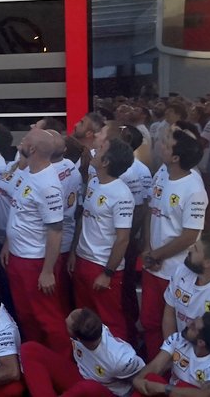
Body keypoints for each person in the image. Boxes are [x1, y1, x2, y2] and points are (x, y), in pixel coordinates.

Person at [1, 128, 70, 356]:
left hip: (35, 262)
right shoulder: (29, 173)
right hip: (18, 258)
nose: (21, 141)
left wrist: (48, 271)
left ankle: (62, 364)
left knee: (48, 318)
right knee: (26, 315)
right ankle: (36, 359)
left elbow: (55, 230)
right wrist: (8, 243)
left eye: (25, 139)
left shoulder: (48, 185)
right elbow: (19, 212)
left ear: (32, 149)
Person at [141, 129, 208, 359]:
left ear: (176, 157)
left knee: (175, 328)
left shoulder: (194, 189)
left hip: (176, 272)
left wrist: (157, 255)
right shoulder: (162, 175)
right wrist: (148, 249)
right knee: (149, 322)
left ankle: (176, 369)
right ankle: (154, 369)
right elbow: (151, 212)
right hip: (153, 266)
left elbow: (190, 235)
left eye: (167, 145)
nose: (161, 145)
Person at [70, 138, 136, 342]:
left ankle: (120, 359)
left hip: (102, 267)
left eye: (100, 149)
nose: (94, 151)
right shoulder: (94, 182)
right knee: (84, 319)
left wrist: (108, 273)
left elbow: (123, 239)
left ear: (106, 162)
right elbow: (84, 218)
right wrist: (74, 252)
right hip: (82, 260)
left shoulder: (122, 194)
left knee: (110, 321)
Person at [20, 308, 145, 397]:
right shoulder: (87, 326)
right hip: (81, 375)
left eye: (67, 325)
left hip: (105, 392)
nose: (65, 319)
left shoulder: (120, 359)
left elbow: (143, 376)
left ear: (77, 338)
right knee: (30, 349)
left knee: (88, 387)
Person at [132, 312, 210, 397]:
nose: (188, 324)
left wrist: (164, 388)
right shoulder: (178, 339)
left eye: (193, 327)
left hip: (178, 392)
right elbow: (156, 365)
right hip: (170, 391)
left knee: (183, 386)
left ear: (201, 342)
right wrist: (138, 379)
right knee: (149, 378)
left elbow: (207, 394)